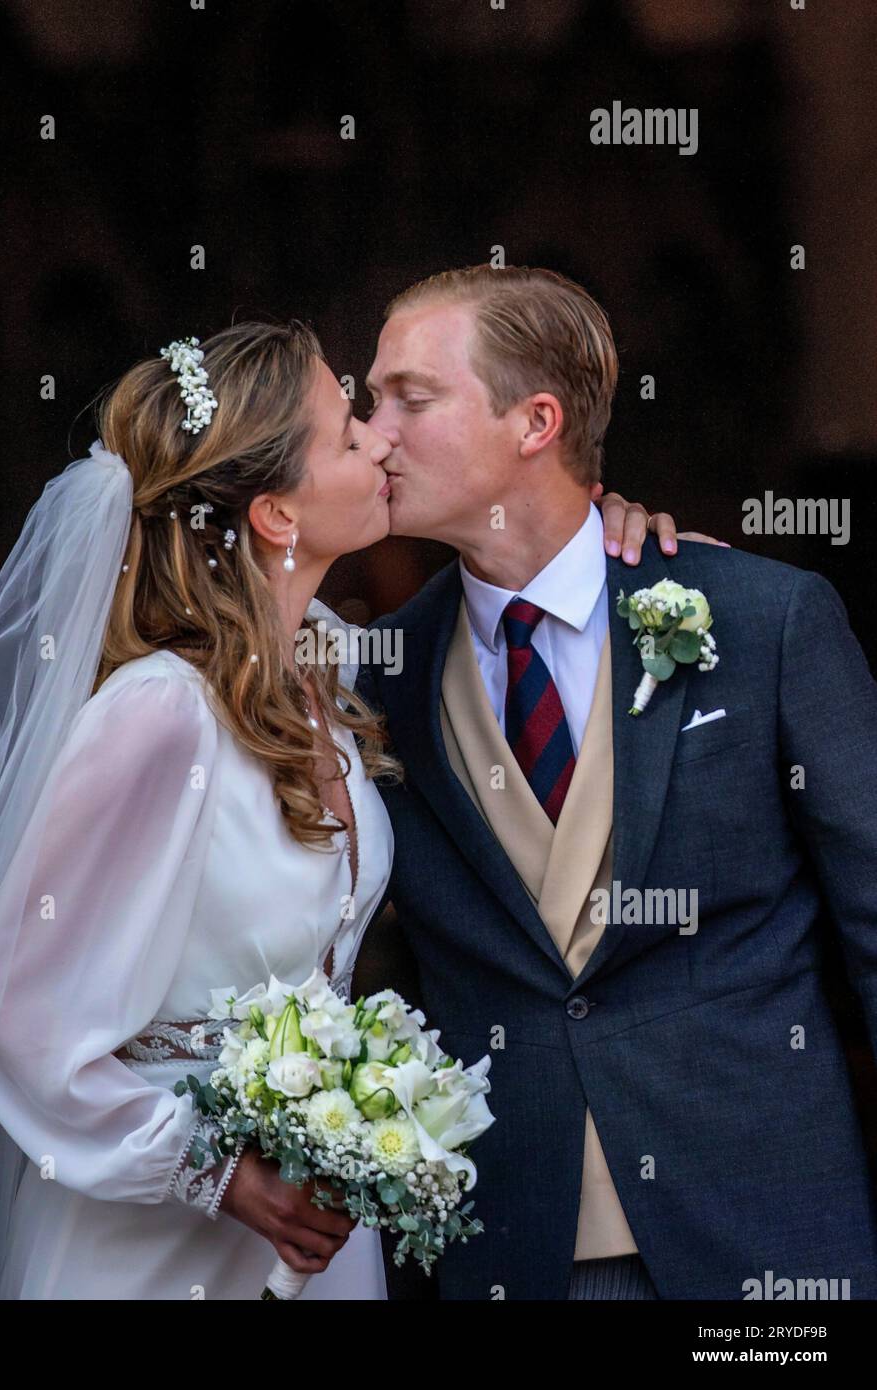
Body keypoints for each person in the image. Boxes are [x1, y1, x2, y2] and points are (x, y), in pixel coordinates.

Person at [0, 317, 673, 1301]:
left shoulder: (329, 670)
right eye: (350, 430)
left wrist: (608, 537)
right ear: (276, 514)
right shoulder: (157, 715)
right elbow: (8, 1005)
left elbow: (510, 623)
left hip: (313, 1233)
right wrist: (213, 1169)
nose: (382, 439)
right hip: (148, 1241)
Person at [354, 263, 877, 1301]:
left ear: (534, 421)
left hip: (765, 1236)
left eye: (409, 399)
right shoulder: (370, 678)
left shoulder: (761, 620)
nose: (374, 431)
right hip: (506, 1245)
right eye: (369, 403)